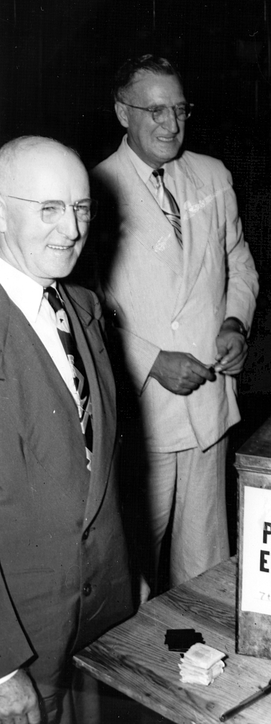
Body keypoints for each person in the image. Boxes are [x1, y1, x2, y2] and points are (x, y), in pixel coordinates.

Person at [91, 55, 259, 592]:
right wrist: (152, 361)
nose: (171, 124)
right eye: (155, 110)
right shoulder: (93, 190)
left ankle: (204, 668)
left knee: (207, 565)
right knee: (134, 570)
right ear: (123, 113)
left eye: (180, 109)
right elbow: (84, 310)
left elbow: (239, 263)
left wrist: (236, 322)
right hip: (143, 417)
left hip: (210, 407)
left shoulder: (212, 175)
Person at [0, 136, 134, 723]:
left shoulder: (82, 307)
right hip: (22, 642)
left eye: (81, 208)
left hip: (100, 621)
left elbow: (98, 466)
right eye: (48, 208)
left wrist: (126, 577)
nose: (72, 228)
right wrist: (3, 669)